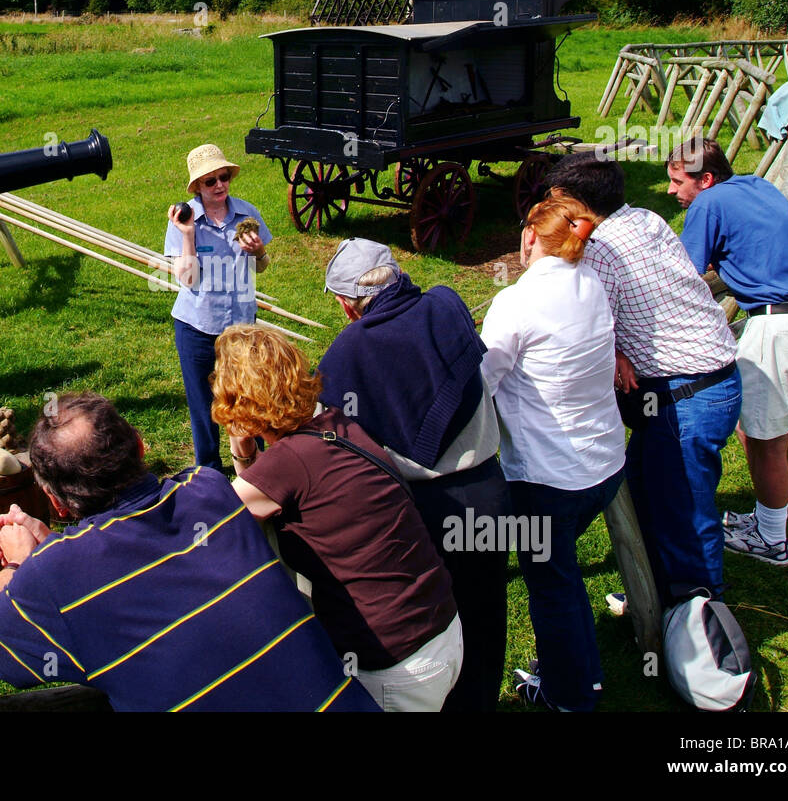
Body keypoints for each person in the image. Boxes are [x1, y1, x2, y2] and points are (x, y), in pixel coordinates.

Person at [0, 392, 378, 712]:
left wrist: (20, 569)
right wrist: (50, 558)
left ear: (56, 503)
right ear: (140, 446)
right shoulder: (208, 490)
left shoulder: (51, 578)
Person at [211, 325, 462, 712]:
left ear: (237, 404)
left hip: (395, 666)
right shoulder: (337, 425)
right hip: (444, 629)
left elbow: (218, 523)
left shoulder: (286, 465)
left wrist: (241, 450)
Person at [314, 237, 510, 712]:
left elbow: (330, 440)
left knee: (430, 628)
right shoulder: (445, 305)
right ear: (398, 276)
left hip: (419, 509)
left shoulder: (347, 353)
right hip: (488, 493)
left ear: (346, 303)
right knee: (485, 615)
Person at [547, 152, 741, 606]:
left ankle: (699, 617)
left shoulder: (598, 250)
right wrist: (620, 349)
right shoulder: (646, 219)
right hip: (711, 378)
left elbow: (584, 321)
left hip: (687, 392)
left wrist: (610, 347)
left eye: (558, 202)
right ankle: (657, 593)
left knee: (685, 513)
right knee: (647, 488)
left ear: (578, 206)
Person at [479, 197, 626, 711]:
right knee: (561, 577)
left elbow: (482, 381)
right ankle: (582, 671)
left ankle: (569, 696)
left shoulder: (515, 303)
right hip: (605, 463)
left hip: (548, 478)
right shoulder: (593, 285)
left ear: (528, 238)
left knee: (553, 587)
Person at [669, 137, 788, 566]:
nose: (673, 192)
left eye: (677, 182)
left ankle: (772, 541)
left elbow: (685, 275)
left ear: (705, 179)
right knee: (760, 433)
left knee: (767, 444)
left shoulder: (706, 205)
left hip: (779, 328)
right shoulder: (756, 186)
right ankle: (766, 524)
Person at [164, 143, 272, 473]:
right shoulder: (184, 220)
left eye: (223, 177)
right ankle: (209, 471)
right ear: (197, 186)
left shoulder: (246, 215)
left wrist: (258, 252)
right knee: (203, 405)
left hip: (241, 326)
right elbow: (188, 278)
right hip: (196, 326)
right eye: (210, 181)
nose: (219, 186)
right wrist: (187, 235)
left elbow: (263, 266)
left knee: (251, 396)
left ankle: (265, 465)